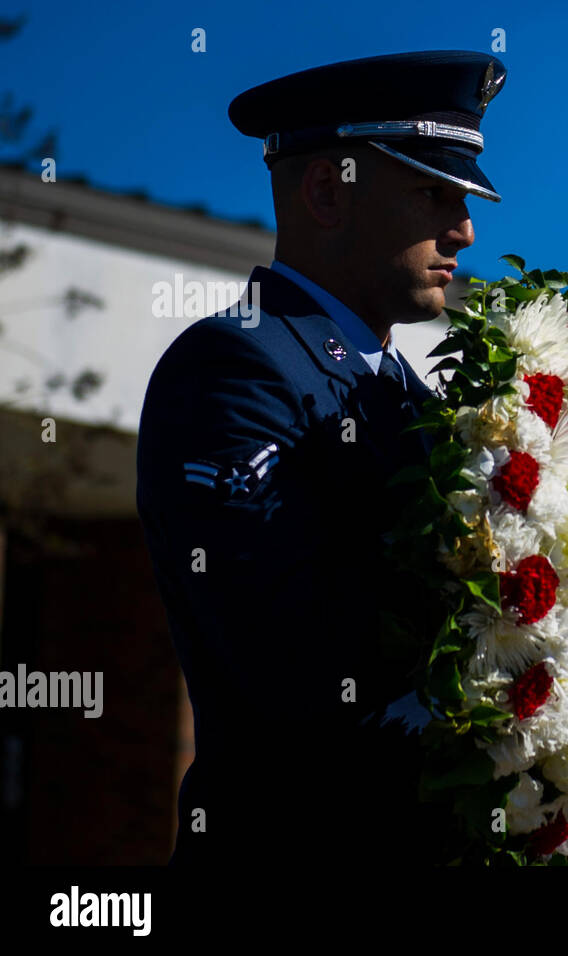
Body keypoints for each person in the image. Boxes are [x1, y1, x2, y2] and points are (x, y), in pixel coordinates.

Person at [135, 51, 507, 867]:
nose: (465, 230)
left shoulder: (421, 400)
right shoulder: (234, 368)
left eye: (465, 199)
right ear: (327, 191)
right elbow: (290, 659)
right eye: (431, 193)